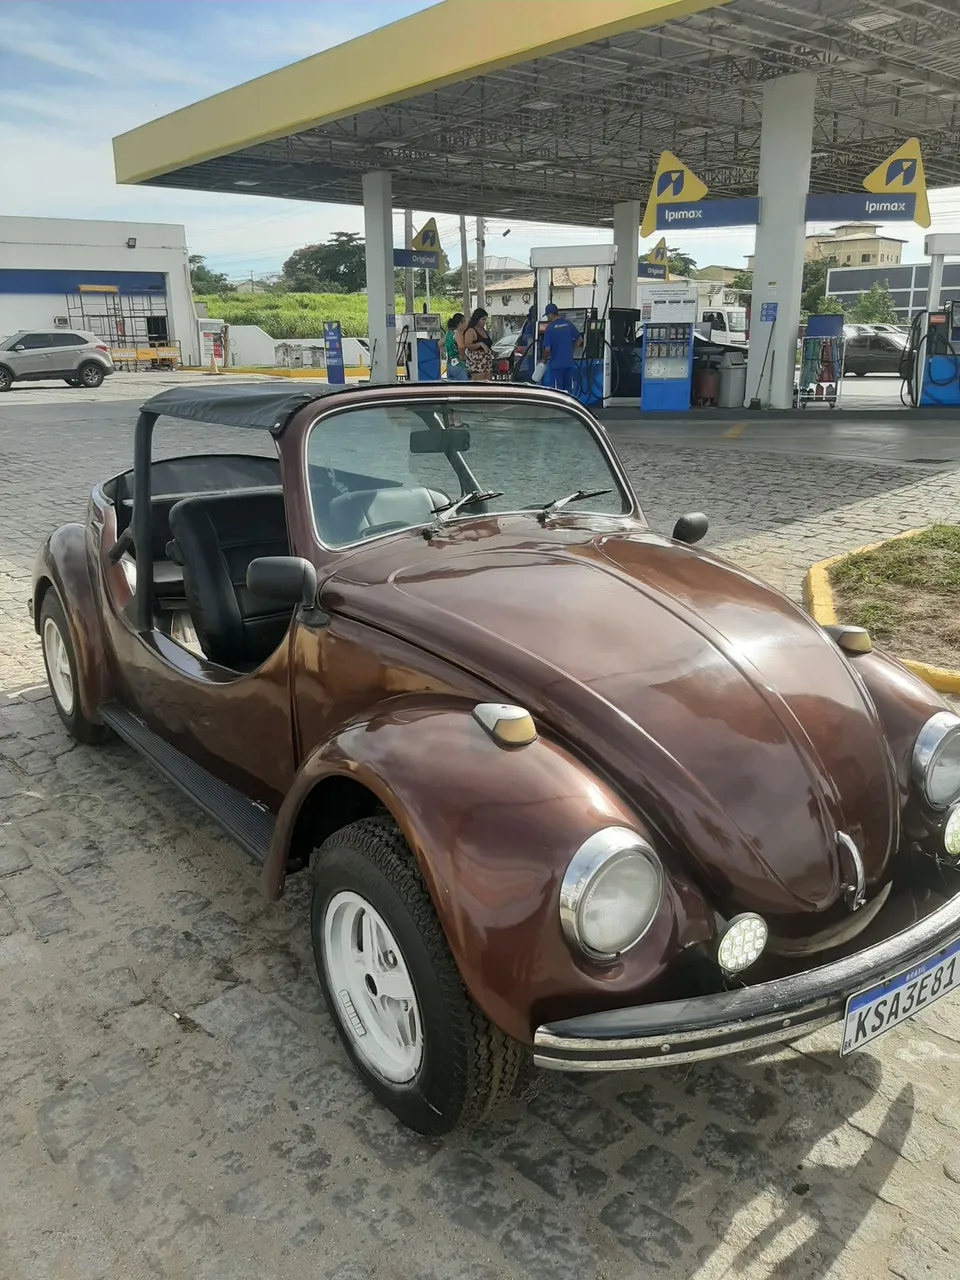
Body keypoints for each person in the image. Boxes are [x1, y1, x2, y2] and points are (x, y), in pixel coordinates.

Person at [541, 303, 582, 395]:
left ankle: (558, 409)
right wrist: (571, 350)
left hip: (556, 364)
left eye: (547, 315)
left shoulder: (550, 328)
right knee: (568, 392)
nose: (547, 318)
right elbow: (580, 339)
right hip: (568, 363)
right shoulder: (568, 324)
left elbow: (547, 349)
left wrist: (543, 361)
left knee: (558, 392)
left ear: (551, 314)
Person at [463, 308, 493, 381]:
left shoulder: (483, 330)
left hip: (487, 363)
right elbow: (468, 345)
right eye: (483, 319)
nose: (484, 322)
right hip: (477, 364)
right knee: (479, 385)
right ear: (477, 319)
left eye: (485, 320)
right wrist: (480, 344)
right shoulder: (471, 330)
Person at [443, 313, 468, 382]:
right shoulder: (457, 333)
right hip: (458, 364)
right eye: (465, 321)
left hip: (449, 365)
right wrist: (462, 356)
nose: (466, 324)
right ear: (460, 323)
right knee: (463, 387)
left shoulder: (448, 333)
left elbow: (440, 343)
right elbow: (461, 346)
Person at [514, 304, 536, 381]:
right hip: (531, 355)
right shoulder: (530, 325)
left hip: (530, 355)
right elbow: (530, 343)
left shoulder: (528, 323)